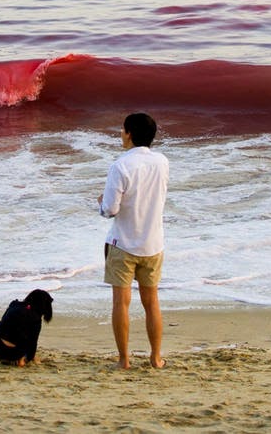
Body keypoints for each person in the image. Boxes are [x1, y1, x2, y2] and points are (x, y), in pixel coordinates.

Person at [97, 112, 169, 370]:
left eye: (122, 130)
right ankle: (156, 357)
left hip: (123, 242)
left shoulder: (121, 165)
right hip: (153, 243)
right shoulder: (162, 162)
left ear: (129, 133)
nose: (120, 133)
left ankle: (124, 360)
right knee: (152, 303)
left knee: (121, 303)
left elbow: (110, 210)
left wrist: (100, 205)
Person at [0, 289, 53, 367]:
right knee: (25, 334)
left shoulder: (15, 305)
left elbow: (2, 325)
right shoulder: (36, 319)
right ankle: (21, 361)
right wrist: (29, 358)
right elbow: (33, 343)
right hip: (16, 354)